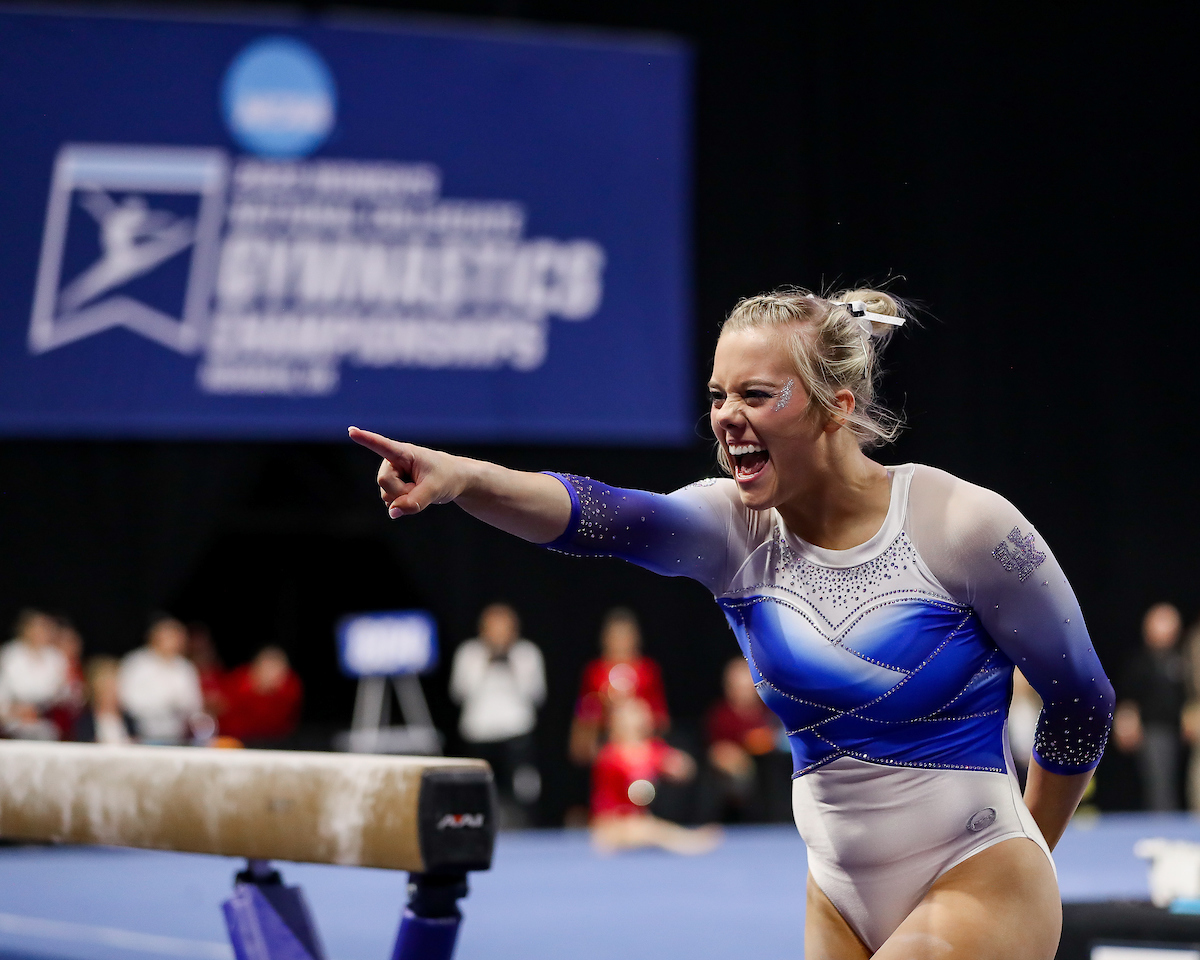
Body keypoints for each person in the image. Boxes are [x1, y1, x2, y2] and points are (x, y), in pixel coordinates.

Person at [350, 286, 1114, 959]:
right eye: (718, 397)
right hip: (838, 893)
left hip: (976, 872)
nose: (727, 420)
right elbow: (595, 514)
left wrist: (1030, 852)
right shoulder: (734, 529)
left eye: (754, 395)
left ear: (835, 406)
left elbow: (1082, 699)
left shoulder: (962, 525)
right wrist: (461, 479)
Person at [449, 603, 546, 827]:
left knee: (524, 786)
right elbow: (459, 693)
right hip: (479, 733)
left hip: (516, 731)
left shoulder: (526, 654)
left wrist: (510, 664)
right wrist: (487, 663)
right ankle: (476, 829)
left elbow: (536, 694)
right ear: (483, 629)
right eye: (494, 627)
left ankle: (528, 828)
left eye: (504, 627)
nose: (499, 633)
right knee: (478, 788)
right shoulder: (469, 653)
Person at [589, 696, 721, 855]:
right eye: (633, 714)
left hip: (641, 820)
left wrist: (678, 765)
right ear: (617, 721)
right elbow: (604, 802)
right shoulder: (609, 756)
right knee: (648, 829)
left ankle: (686, 838)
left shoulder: (651, 749)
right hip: (610, 824)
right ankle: (687, 841)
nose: (640, 718)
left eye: (642, 713)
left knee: (650, 827)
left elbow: (684, 769)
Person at [570, 607, 669, 765]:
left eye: (625, 636)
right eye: (615, 636)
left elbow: (660, 716)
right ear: (605, 638)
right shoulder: (594, 671)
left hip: (642, 748)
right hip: (605, 747)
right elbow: (583, 713)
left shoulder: (648, 670)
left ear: (636, 638)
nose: (620, 642)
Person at [1113, 602, 1187, 810]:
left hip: (1182, 729)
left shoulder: (1183, 659)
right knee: (1159, 783)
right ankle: (1162, 826)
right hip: (1154, 731)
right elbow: (1128, 699)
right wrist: (1127, 720)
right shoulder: (1139, 663)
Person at [703, 655, 791, 822]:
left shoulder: (769, 711)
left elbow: (780, 738)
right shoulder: (721, 715)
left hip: (771, 767)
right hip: (737, 769)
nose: (743, 692)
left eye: (747, 686)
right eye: (738, 687)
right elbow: (716, 749)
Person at [118, 614, 206, 744]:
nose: (177, 642)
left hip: (179, 736)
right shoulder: (137, 664)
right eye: (172, 637)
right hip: (142, 734)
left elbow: (195, 704)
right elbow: (127, 700)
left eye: (179, 637)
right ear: (156, 637)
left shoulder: (185, 667)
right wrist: (164, 703)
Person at [0, 609, 70, 740]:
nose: (40, 633)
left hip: (45, 716)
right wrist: (14, 710)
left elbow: (61, 692)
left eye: (44, 628)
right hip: (14, 714)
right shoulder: (11, 654)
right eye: (36, 628)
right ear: (26, 630)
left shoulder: (56, 658)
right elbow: (5, 688)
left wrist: (38, 709)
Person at [217, 646, 303, 745]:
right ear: (256, 667)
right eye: (267, 668)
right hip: (237, 741)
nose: (271, 674)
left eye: (276, 668)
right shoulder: (237, 683)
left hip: (277, 742)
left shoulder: (291, 688)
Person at [72, 656, 135, 744]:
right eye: (106, 690)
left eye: (114, 689)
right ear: (96, 691)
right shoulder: (84, 722)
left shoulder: (130, 721)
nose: (111, 695)